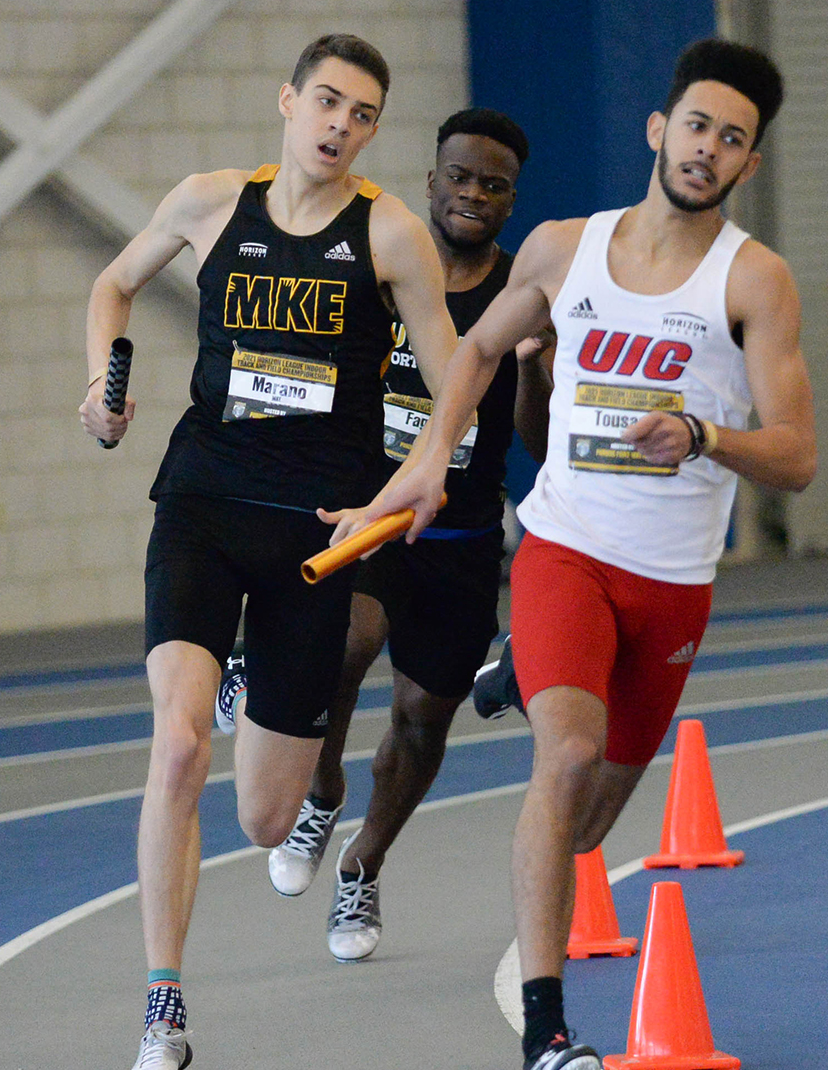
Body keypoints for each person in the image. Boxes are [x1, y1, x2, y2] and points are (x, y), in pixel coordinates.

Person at [326, 38, 815, 1070]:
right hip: (565, 550)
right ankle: (547, 1031)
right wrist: (423, 466)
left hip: (674, 585)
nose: (707, 149)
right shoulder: (562, 249)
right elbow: (477, 348)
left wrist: (708, 434)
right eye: (696, 126)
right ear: (658, 129)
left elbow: (799, 455)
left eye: (732, 139)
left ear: (748, 163)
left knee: (589, 827)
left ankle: (514, 670)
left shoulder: (755, 282)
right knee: (568, 756)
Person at [77, 34, 457, 1070]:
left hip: (314, 541)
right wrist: (108, 381)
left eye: (363, 113)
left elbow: (454, 375)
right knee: (179, 744)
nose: (341, 124)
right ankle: (163, 1004)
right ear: (287, 100)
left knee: (260, 816)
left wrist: (412, 477)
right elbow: (114, 283)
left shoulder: (389, 236)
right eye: (327, 101)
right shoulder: (208, 202)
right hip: (201, 501)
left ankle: (305, 778)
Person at [253, 107, 555, 965]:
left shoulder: (518, 301)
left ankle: (363, 860)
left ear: (510, 200)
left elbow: (533, 439)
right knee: (345, 647)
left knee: (423, 720)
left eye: (493, 185)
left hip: (459, 540)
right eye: (459, 176)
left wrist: (534, 364)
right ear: (431, 181)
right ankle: (322, 789)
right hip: (372, 516)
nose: (472, 194)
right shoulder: (382, 277)